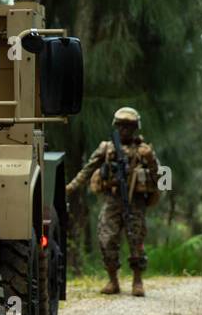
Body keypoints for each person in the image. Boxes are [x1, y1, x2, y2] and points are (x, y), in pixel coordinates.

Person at [66, 107, 162, 296]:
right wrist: (70, 187)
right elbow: (88, 169)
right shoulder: (107, 148)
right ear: (116, 127)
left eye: (129, 126)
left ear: (136, 128)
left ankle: (137, 280)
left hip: (135, 202)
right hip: (112, 200)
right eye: (121, 126)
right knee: (106, 238)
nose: (125, 130)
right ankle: (113, 280)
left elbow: (160, 177)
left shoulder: (144, 151)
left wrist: (150, 160)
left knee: (136, 240)